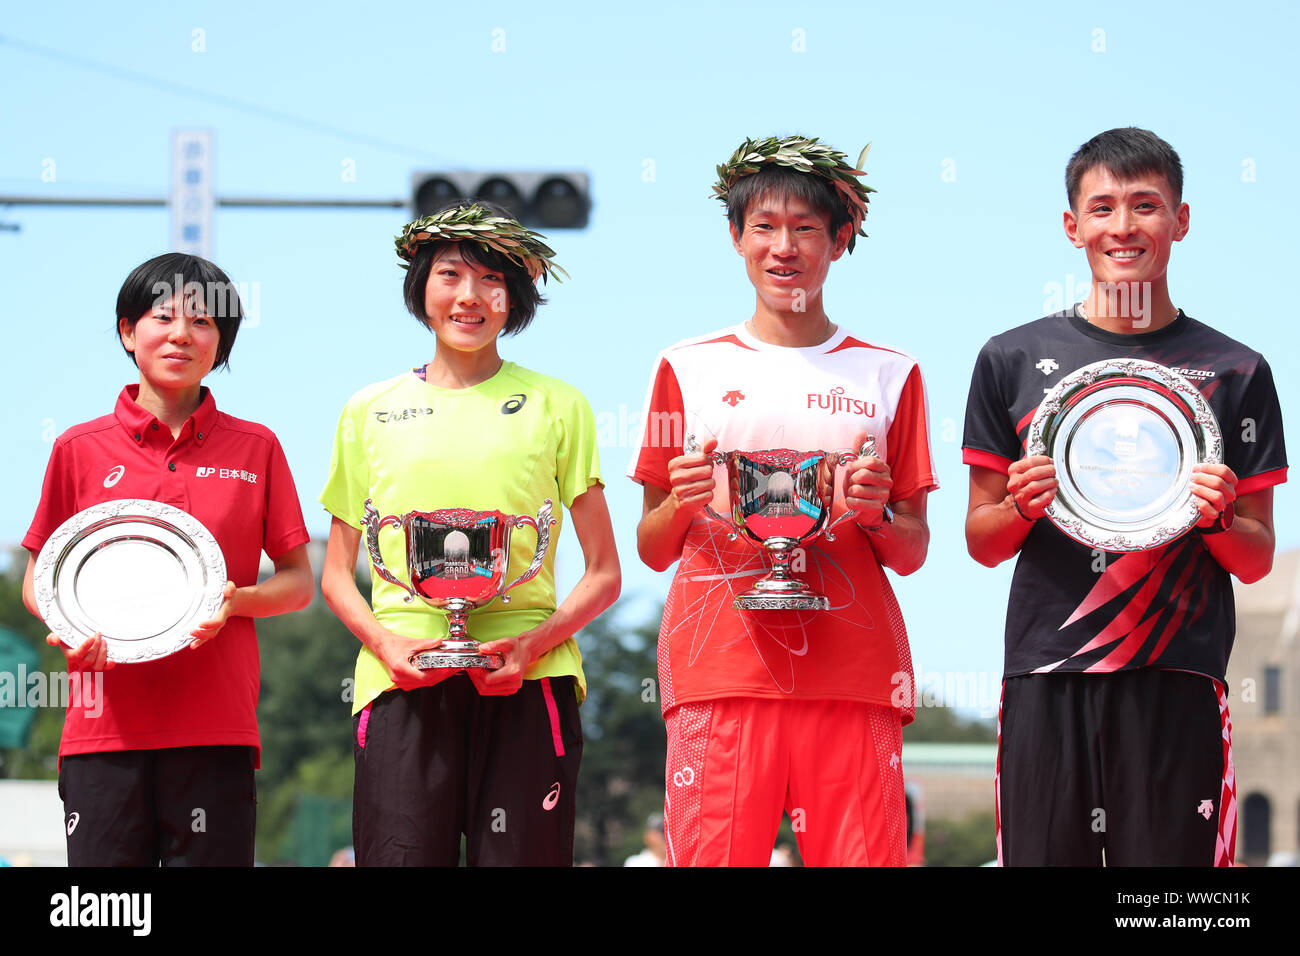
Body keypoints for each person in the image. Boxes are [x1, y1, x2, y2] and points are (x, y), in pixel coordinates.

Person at [963, 127, 1288, 866]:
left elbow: (1257, 556)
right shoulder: (1010, 359)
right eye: (1102, 207)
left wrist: (1214, 518)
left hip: (1179, 674)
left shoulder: (1236, 370)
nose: (1123, 226)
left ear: (1181, 220)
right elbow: (981, 541)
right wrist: (1020, 504)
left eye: (1145, 205)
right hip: (1049, 670)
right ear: (1072, 225)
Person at [630, 135, 939, 866]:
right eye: (764, 227)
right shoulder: (685, 367)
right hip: (719, 671)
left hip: (854, 675)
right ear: (735, 236)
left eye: (806, 228)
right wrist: (682, 501)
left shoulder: (891, 374)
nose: (784, 247)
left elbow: (915, 548)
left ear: (841, 238)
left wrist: (876, 515)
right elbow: (650, 544)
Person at [319, 201, 620, 867]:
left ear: (516, 298)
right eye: (451, 275)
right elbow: (336, 574)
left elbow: (605, 572)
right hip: (403, 683)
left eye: (493, 280)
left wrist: (534, 643)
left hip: (530, 679)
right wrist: (387, 644)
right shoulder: (367, 410)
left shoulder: (558, 404)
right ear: (421, 286)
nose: (470, 296)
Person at [21, 252, 314, 866]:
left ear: (221, 343)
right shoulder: (79, 447)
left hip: (217, 729)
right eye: (164, 317)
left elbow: (297, 584)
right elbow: (39, 579)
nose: (183, 334)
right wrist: (69, 627)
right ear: (129, 332)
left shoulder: (256, 447)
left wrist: (237, 601)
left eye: (204, 323)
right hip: (102, 732)